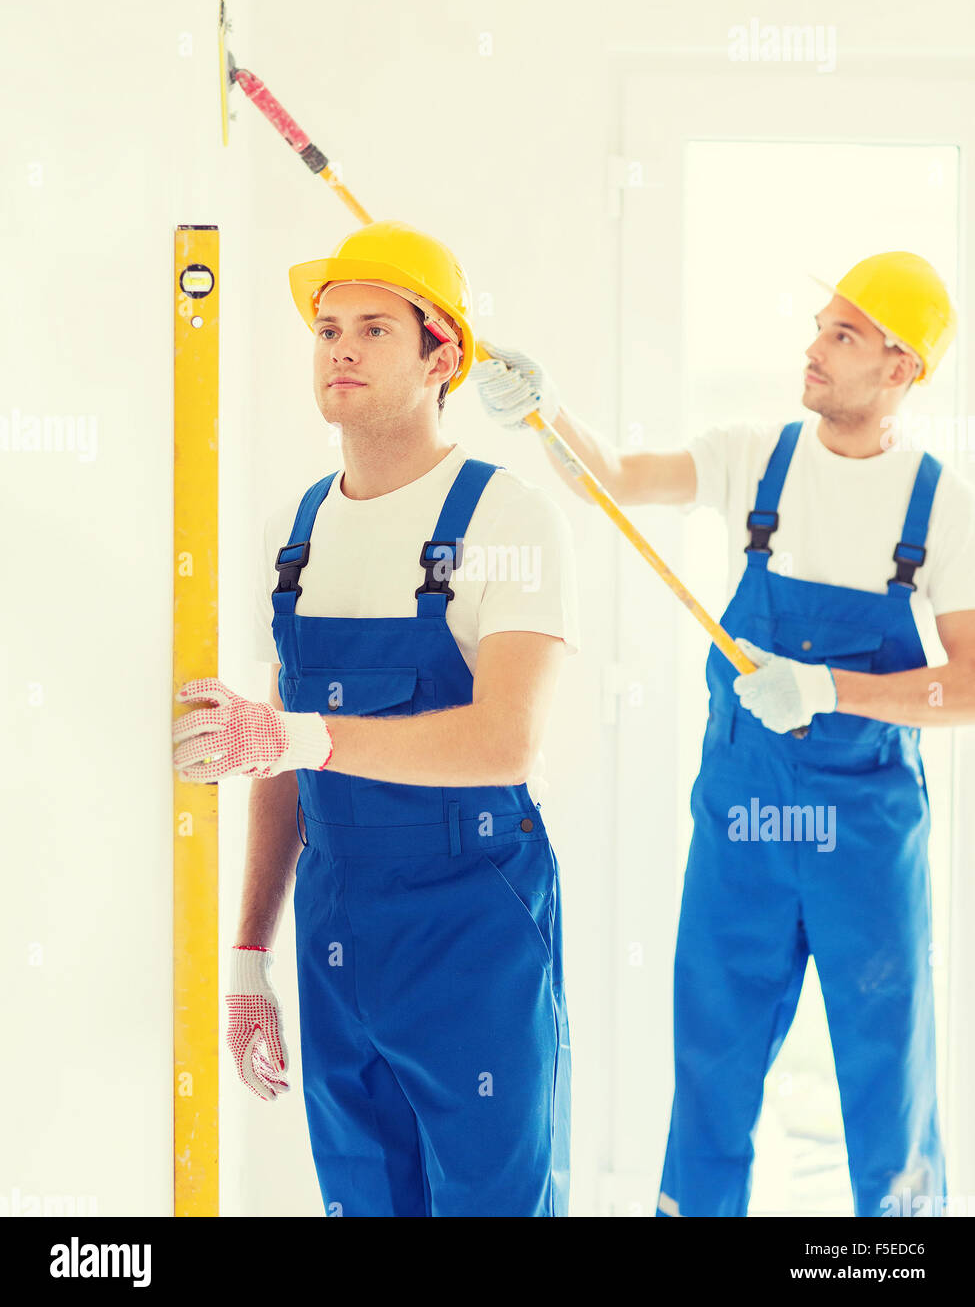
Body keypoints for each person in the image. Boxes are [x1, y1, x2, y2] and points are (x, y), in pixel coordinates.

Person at [474, 251, 975, 1217]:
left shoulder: (940, 505)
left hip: (864, 835)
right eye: (819, 325)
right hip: (741, 825)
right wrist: (542, 409)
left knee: (885, 1063)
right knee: (713, 1054)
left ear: (901, 368)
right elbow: (608, 480)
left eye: (843, 334)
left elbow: (968, 688)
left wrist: (829, 686)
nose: (813, 348)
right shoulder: (759, 460)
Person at [173, 220, 578, 1217]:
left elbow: (507, 739)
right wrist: (247, 953)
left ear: (444, 354)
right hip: (338, 921)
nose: (341, 349)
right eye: (326, 329)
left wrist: (298, 734)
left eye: (374, 329)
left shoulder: (508, 518)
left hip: (474, 918)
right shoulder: (294, 533)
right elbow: (283, 770)